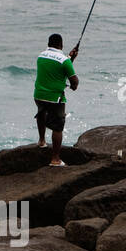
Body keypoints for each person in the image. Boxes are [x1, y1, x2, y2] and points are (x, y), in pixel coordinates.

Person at [34, 34, 79, 166]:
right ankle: (55, 159)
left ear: (49, 43)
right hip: (55, 98)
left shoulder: (41, 55)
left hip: (39, 95)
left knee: (41, 115)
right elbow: (74, 81)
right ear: (61, 44)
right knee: (58, 127)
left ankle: (42, 141)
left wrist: (71, 58)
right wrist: (74, 86)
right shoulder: (64, 61)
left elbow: (55, 68)